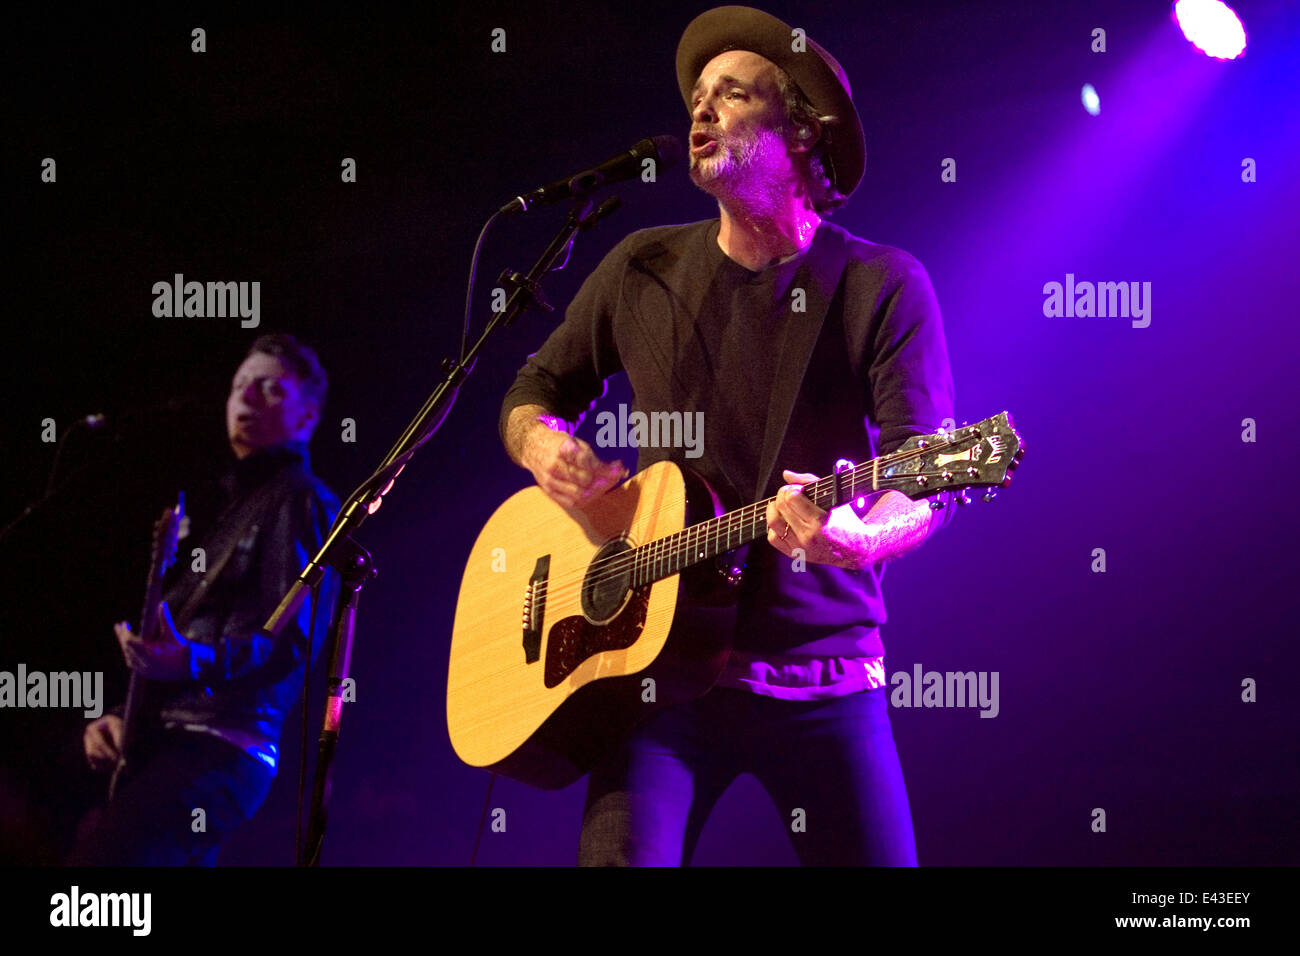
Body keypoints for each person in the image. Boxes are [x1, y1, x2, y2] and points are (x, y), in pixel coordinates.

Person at [499, 6, 958, 866]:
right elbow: (533, 389)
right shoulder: (642, 266)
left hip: (822, 680)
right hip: (658, 680)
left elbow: (923, 481)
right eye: (698, 97)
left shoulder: (880, 284)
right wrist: (541, 446)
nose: (700, 112)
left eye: (733, 95)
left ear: (802, 136)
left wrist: (860, 539)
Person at [73, 333, 340, 865]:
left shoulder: (300, 498)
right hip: (169, 741)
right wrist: (125, 717)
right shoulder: (230, 506)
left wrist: (190, 660)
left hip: (220, 746)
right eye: (240, 385)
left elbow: (289, 641)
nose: (246, 397)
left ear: (307, 416)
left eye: (269, 389)